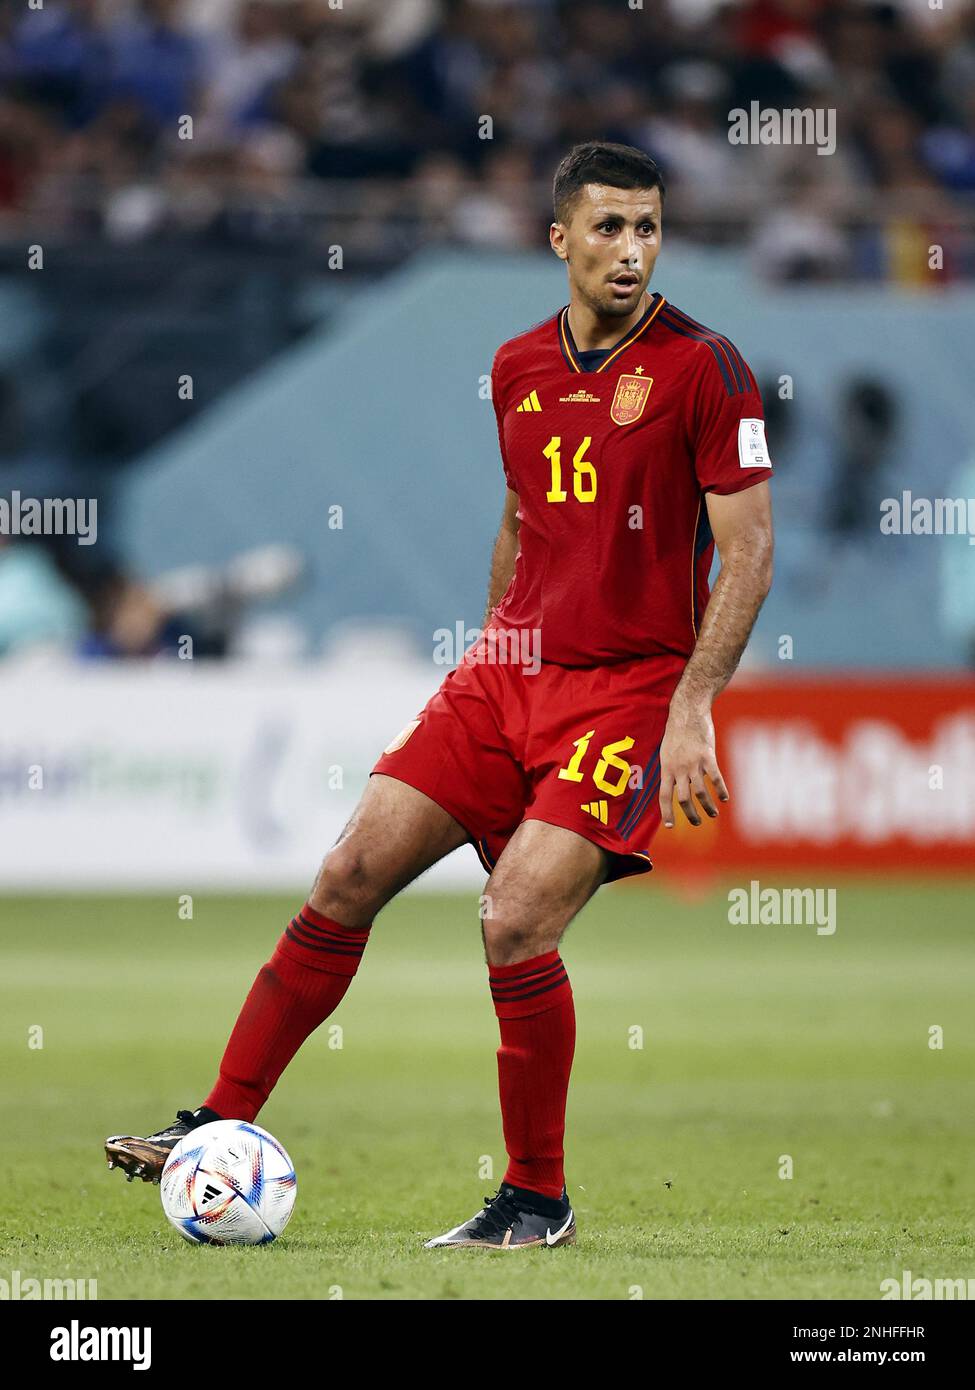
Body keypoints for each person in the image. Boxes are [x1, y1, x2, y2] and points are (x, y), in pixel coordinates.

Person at [105, 140, 774, 1250]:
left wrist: (694, 705)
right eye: (608, 226)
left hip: (627, 691)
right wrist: (495, 651)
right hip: (505, 678)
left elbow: (747, 552)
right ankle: (215, 1126)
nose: (631, 249)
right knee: (348, 870)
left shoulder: (707, 367)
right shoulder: (515, 365)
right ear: (558, 237)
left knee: (514, 921)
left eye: (648, 226)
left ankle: (536, 1198)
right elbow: (521, 520)